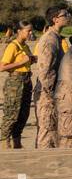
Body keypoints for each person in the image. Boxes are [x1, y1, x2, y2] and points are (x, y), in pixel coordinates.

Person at [31, 6, 69, 148]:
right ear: (55, 19)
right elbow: (45, 70)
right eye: (65, 15)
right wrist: (52, 92)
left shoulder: (56, 38)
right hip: (48, 94)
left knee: (53, 133)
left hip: (54, 92)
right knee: (47, 133)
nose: (68, 16)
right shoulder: (50, 40)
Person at [0, 20, 37, 148]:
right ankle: (4, 142)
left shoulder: (25, 46)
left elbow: (25, 61)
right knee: (12, 113)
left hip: (26, 80)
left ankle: (17, 141)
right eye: (28, 31)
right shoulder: (13, 46)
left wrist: (31, 60)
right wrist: (21, 63)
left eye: (31, 30)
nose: (31, 33)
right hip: (15, 83)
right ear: (19, 31)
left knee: (23, 113)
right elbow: (2, 67)